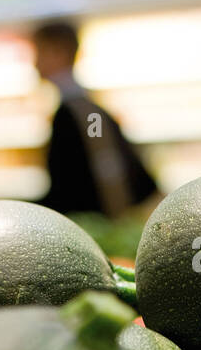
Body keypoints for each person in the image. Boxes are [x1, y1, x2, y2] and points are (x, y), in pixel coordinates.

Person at [30, 20, 159, 218]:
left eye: (39, 51)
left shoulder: (83, 113)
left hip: (92, 224)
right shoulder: (85, 110)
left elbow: (101, 161)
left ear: (59, 52)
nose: (35, 63)